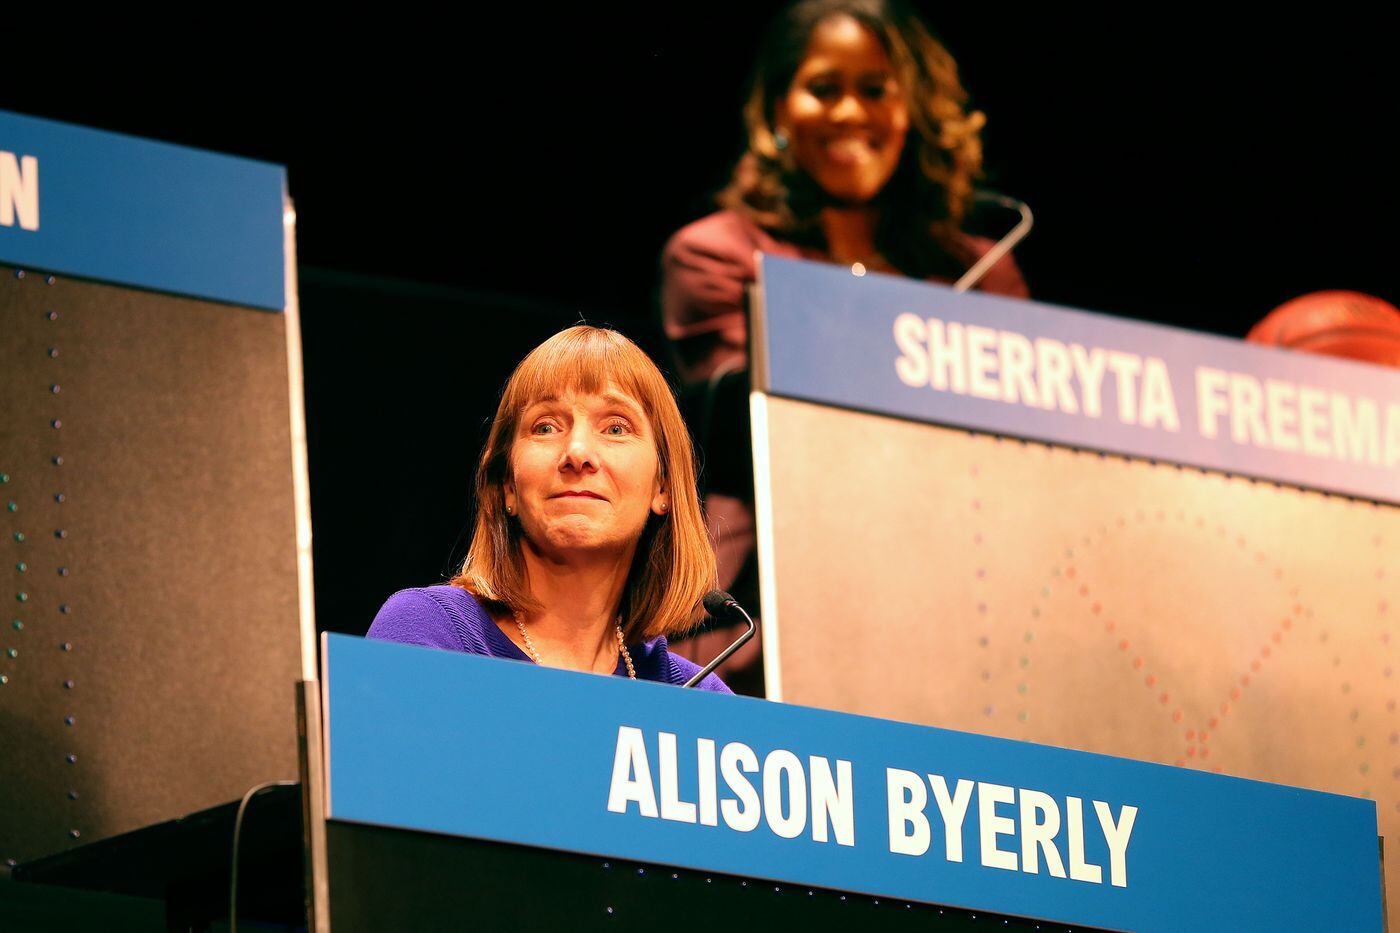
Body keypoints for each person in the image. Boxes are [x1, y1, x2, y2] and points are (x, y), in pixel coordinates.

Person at [662, 0, 1029, 693]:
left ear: (912, 107)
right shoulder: (719, 256)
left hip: (963, 608)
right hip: (767, 619)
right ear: (775, 111)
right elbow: (770, 427)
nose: (849, 112)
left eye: (875, 89)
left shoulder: (980, 270)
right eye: (824, 88)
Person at [367, 325, 731, 693]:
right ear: (508, 484)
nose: (577, 453)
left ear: (663, 485)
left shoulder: (696, 696)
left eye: (616, 428)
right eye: (545, 427)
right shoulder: (431, 633)